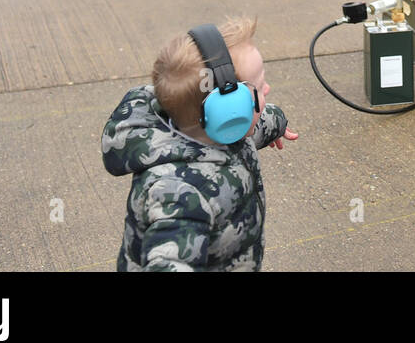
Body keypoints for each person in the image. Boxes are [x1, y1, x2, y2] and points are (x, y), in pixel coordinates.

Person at [102, 16, 297, 271]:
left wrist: (277, 123)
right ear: (229, 114)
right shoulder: (178, 193)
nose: (268, 89)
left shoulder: (215, 129)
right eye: (259, 88)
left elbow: (256, 126)